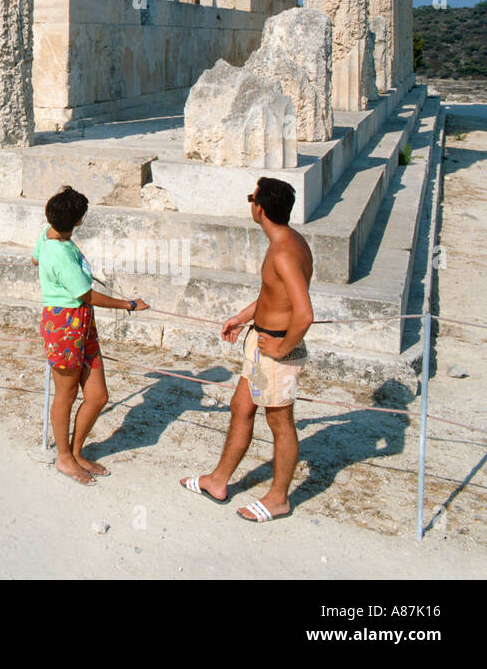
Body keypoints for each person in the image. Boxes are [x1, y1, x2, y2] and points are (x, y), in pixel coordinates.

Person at [180, 176, 314, 523]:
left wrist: (283, 348)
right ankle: (218, 480)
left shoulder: (284, 252)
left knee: (280, 422)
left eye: (251, 197)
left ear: (261, 209)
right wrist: (241, 318)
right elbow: (273, 295)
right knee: (241, 406)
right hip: (260, 342)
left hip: (274, 349)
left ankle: (278, 498)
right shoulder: (285, 241)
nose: (250, 203)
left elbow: (304, 313)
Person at [35, 185, 148, 485]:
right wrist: (129, 305)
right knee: (67, 394)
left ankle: (76, 451)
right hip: (64, 323)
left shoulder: (47, 236)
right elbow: (87, 295)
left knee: (97, 396)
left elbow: (35, 259)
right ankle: (63, 457)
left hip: (81, 323)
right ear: (78, 221)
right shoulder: (60, 253)